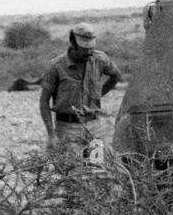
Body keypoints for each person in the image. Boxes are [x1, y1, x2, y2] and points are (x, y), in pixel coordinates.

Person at [40, 22, 123, 162]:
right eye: (84, 49)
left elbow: (116, 76)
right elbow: (43, 101)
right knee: (72, 174)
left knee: (97, 171)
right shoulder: (56, 66)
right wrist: (51, 135)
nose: (89, 52)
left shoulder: (100, 59)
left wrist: (97, 95)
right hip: (67, 129)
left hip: (94, 127)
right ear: (73, 42)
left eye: (91, 48)